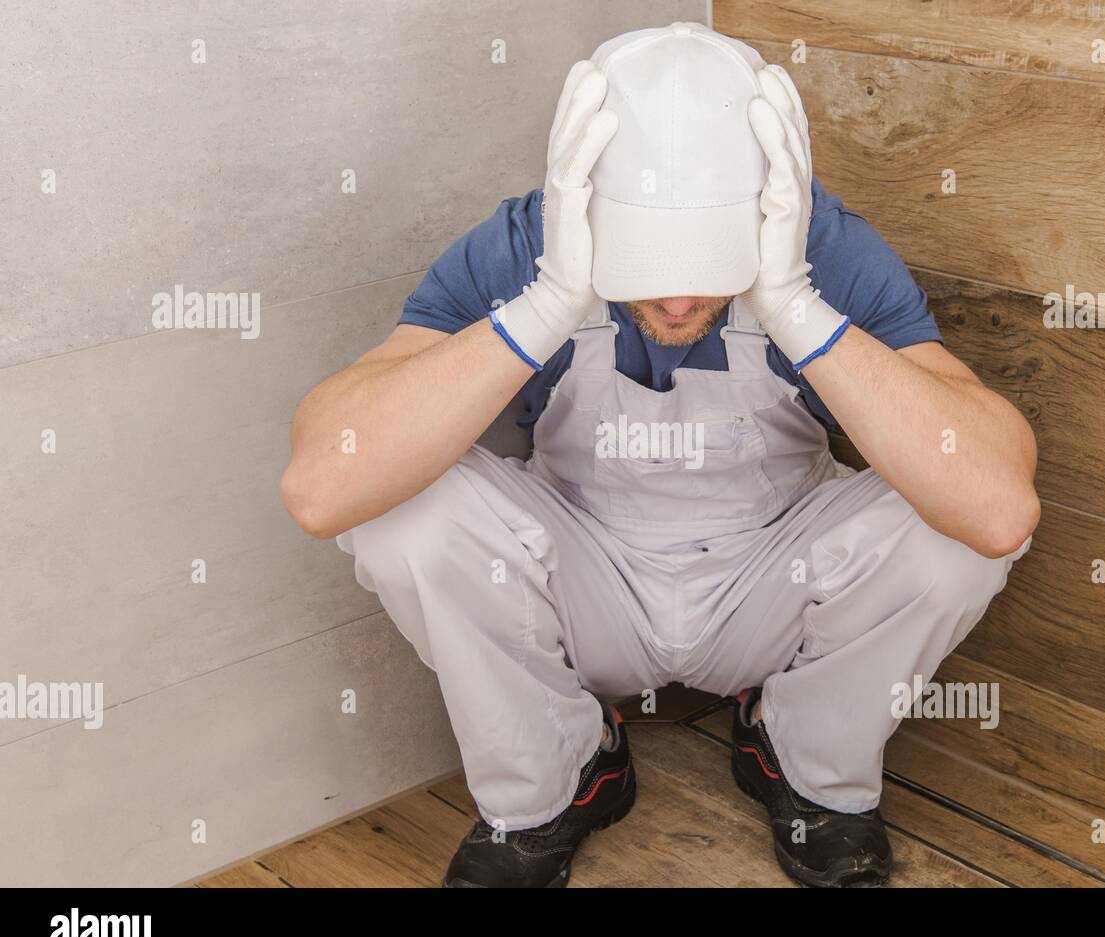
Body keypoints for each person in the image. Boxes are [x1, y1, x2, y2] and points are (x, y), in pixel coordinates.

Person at [280, 22, 1039, 888]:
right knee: (398, 509)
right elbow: (323, 483)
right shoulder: (524, 245)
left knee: (958, 528)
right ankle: (560, 777)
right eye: (647, 258)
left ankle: (802, 759)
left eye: (709, 257)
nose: (679, 299)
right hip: (585, 577)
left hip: (775, 580)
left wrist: (792, 302)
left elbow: (998, 505)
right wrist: (548, 304)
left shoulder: (822, 247)